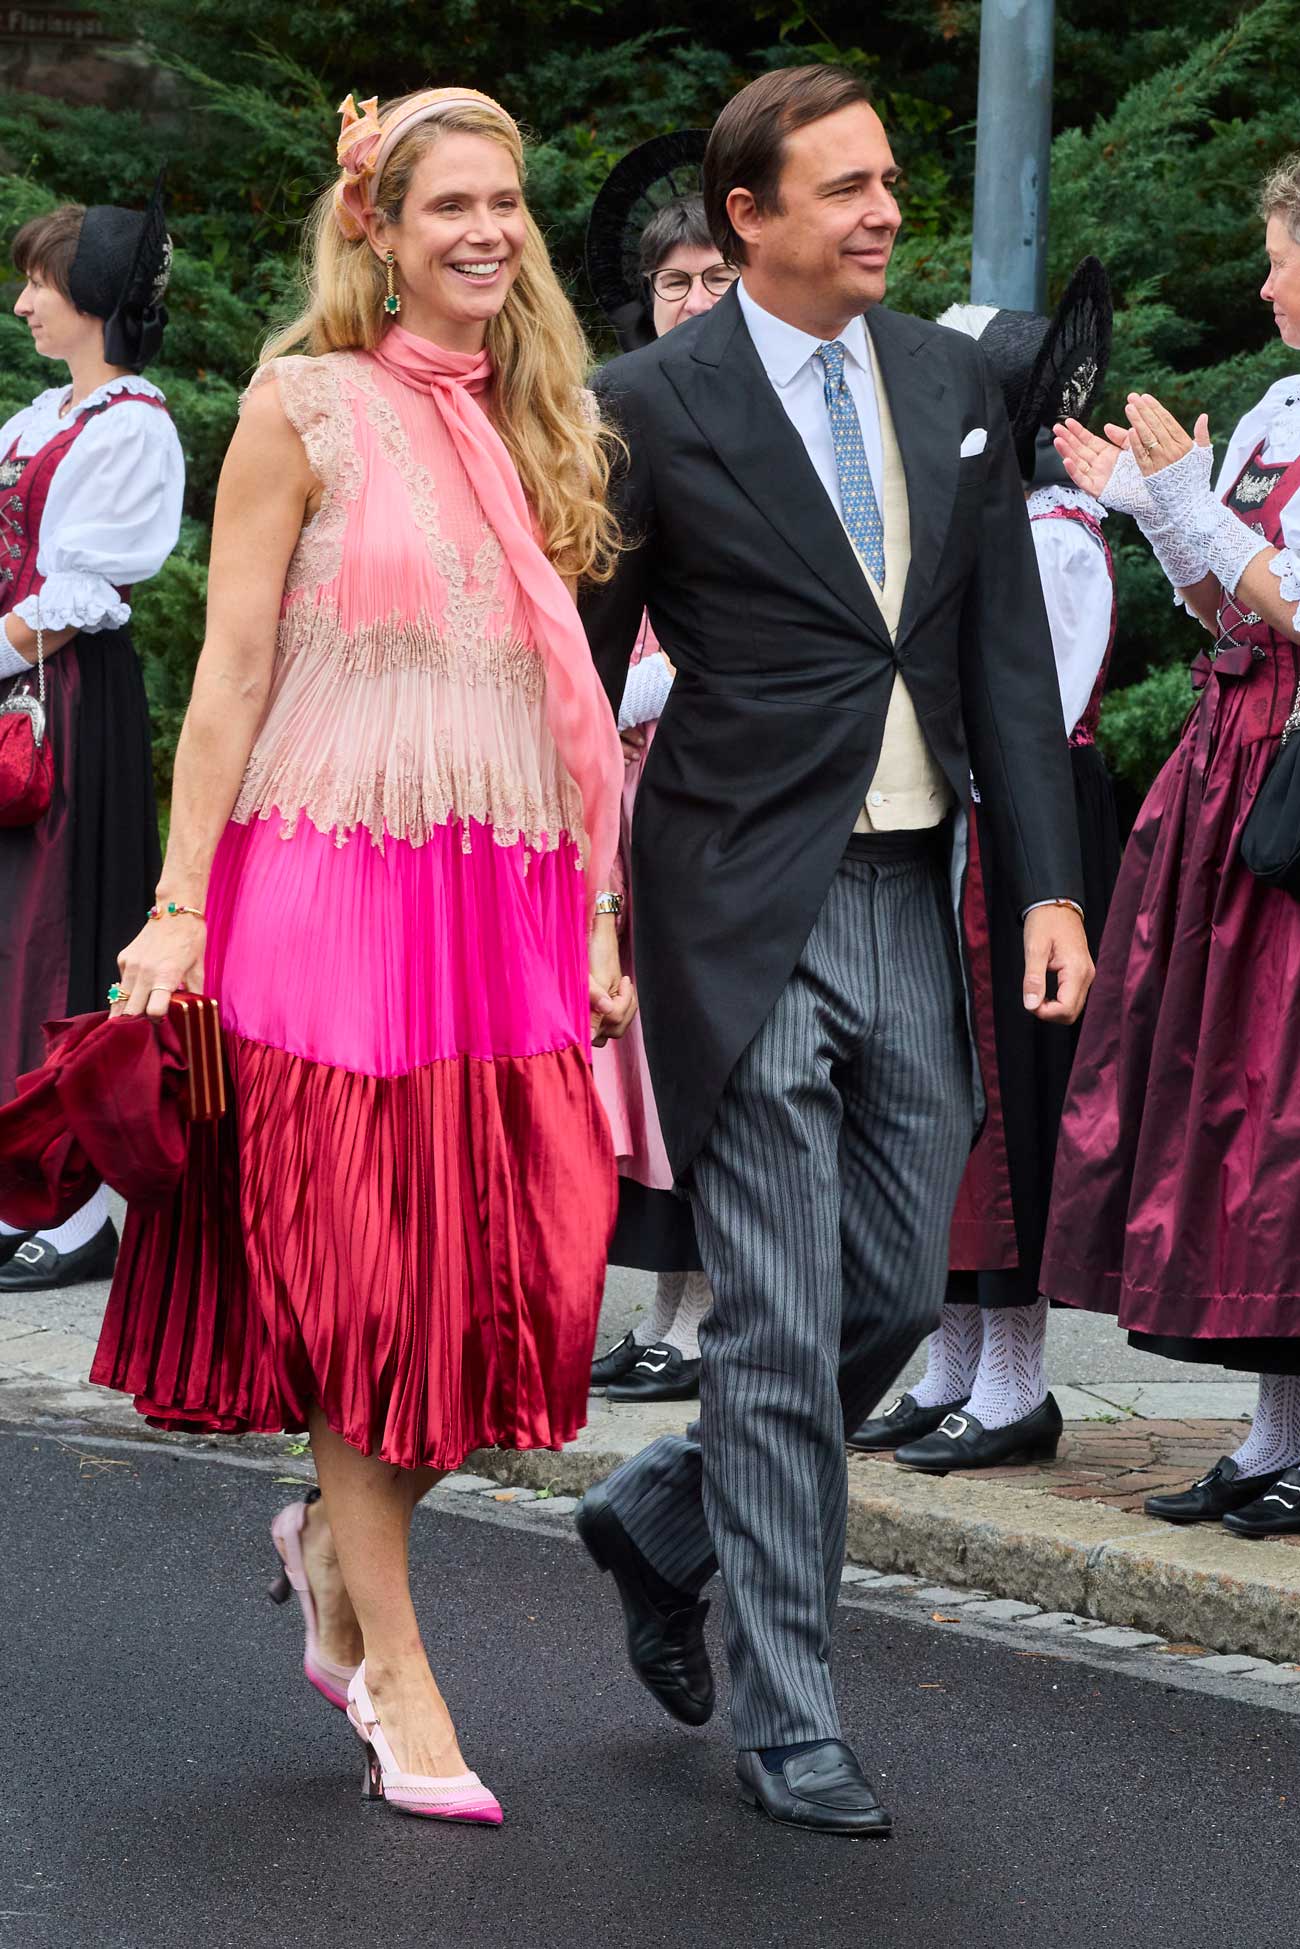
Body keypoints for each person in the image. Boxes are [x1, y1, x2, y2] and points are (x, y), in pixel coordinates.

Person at [90, 85, 630, 1827]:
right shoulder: (300, 405)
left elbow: (565, 701)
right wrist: (178, 905)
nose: (486, 230)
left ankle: (328, 1540)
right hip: (328, 894)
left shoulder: (544, 416)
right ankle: (398, 1665)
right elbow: (230, 674)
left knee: (523, 1279)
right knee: (372, 1285)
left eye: (508, 202)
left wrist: (601, 910)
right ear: (378, 232)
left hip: (510, 899)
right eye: (449, 204)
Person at [574, 63, 1092, 1836]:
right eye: (849, 186)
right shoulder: (646, 402)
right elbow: (582, 679)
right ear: (751, 216)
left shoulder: (954, 382)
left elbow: (1006, 656)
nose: (885, 210)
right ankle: (790, 1710)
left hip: (910, 897)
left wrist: (1048, 887)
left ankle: (664, 1510)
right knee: (787, 1322)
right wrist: (580, 908)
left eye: (891, 182)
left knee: (891, 1282)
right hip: (732, 904)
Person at [1042, 153, 1300, 1542]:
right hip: (1237, 758)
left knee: (1289, 1101)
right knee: (1235, 1106)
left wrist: (1191, 504)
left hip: (1291, 769)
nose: (1263, 282)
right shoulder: (1275, 408)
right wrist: (1158, 510)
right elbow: (1230, 613)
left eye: (1279, 255)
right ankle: (1273, 1434)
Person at [851, 263, 1123, 1470]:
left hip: (1022, 850)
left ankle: (1016, 1381)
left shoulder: (1053, 537)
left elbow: (1031, 709)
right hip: (949, 833)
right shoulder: (965, 528)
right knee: (939, 1102)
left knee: (1011, 1102)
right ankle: (950, 1359)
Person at [0, 185, 183, 1293]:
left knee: (67, 935)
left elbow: (75, 593)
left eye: (40, 280)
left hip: (68, 700)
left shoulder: (133, 428)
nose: (24, 300)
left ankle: (80, 1207)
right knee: (12, 934)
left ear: (95, 295)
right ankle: (20, 1179)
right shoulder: (39, 417)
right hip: (20, 691)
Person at [585, 161, 738, 1404]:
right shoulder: (628, 420)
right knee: (638, 1057)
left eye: (712, 278)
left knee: (706, 1055)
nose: (691, 300)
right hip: (624, 794)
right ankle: (664, 1308)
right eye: (673, 283)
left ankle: (710, 1318)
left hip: (717, 784)